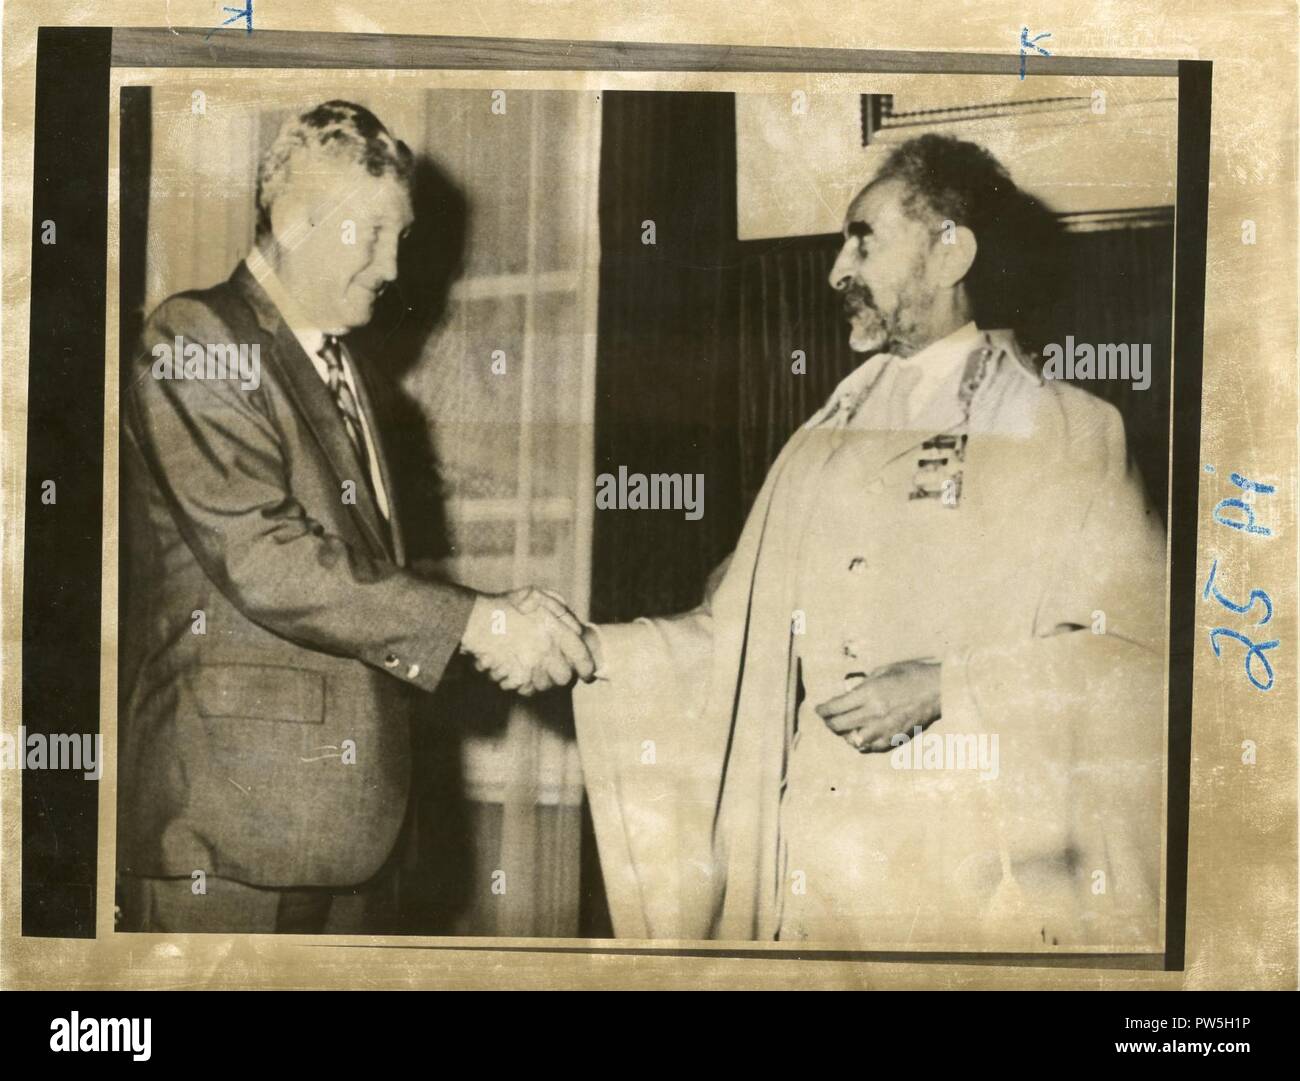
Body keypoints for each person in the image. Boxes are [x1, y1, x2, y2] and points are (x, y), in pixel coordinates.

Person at [574, 134, 1166, 949]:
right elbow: (732, 639)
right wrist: (596, 651)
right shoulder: (818, 442)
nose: (835, 272)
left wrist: (949, 684)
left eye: (864, 239)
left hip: (968, 880)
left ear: (951, 250)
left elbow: (1136, 660)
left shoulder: (1063, 430)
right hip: (813, 862)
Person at [118, 100, 593, 934]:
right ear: (295, 219)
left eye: (400, 237)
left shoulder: (352, 376)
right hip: (232, 831)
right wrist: (479, 623)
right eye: (369, 233)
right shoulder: (194, 337)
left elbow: (361, 581)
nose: (392, 266)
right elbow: (267, 558)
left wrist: (490, 614)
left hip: (350, 836)